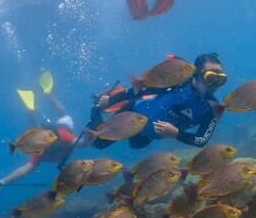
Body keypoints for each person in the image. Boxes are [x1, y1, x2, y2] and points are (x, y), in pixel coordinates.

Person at [90, 53, 226, 149]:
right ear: (196, 73)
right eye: (210, 77)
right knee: (99, 143)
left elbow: (201, 140)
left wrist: (176, 134)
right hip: (133, 113)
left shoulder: (213, 108)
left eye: (221, 79)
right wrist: (111, 100)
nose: (215, 84)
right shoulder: (179, 81)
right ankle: (95, 107)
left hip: (147, 134)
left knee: (136, 145)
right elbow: (144, 88)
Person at [0, 73, 78, 191]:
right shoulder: (40, 149)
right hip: (58, 131)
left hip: (62, 128)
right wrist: (4, 181)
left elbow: (81, 142)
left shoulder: (62, 138)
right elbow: (25, 169)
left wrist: (91, 136)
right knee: (61, 117)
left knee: (62, 115)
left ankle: (39, 102)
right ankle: (36, 105)